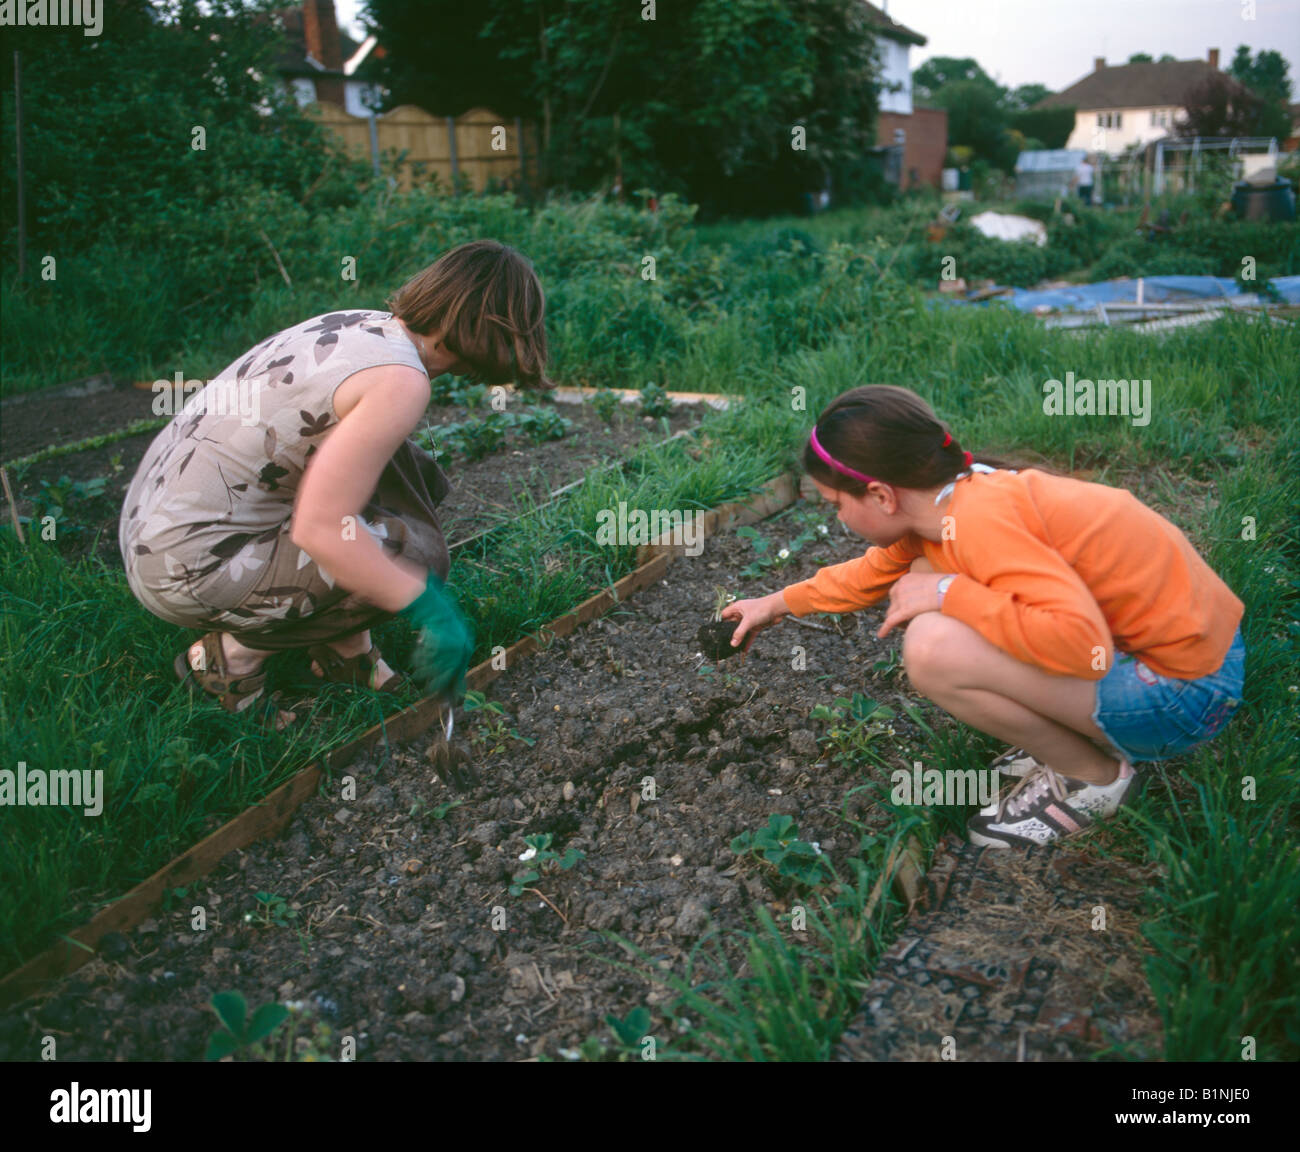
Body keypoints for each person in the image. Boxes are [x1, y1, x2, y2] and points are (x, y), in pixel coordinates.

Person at [723, 385, 1245, 848]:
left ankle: (1095, 778)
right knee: (930, 579)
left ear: (881, 495)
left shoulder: (978, 522)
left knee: (931, 648)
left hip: (1185, 696)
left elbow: (1081, 643)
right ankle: (1072, 737)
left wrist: (949, 592)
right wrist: (771, 605)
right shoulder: (956, 500)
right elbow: (867, 576)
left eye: (836, 503)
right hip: (1192, 652)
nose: (836, 516)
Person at [119, 240, 549, 727]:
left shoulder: (361, 325)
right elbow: (320, 529)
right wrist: (429, 606)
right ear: (487, 330)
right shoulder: (402, 381)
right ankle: (230, 659)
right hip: (192, 567)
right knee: (415, 559)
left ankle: (347, 650)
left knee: (409, 469)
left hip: (151, 532)